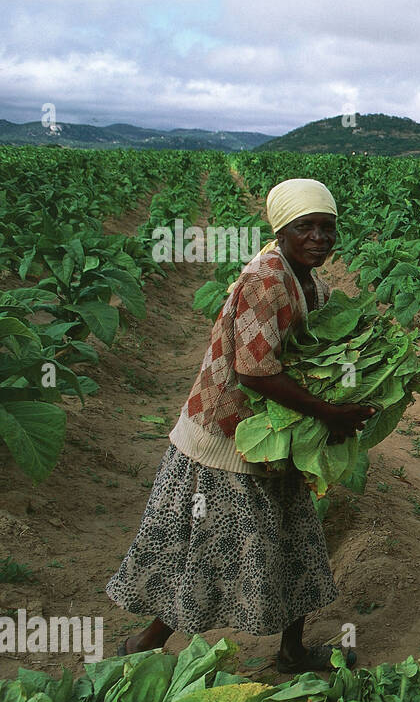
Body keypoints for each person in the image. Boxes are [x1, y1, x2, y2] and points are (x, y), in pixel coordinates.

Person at [108, 179, 375, 673]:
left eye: (327, 227)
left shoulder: (306, 277)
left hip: (273, 433)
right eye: (306, 227)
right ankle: (143, 644)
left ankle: (292, 651)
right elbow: (254, 370)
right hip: (226, 437)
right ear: (282, 229)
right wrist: (328, 412)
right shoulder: (266, 281)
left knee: (297, 541)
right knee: (207, 547)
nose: (319, 237)